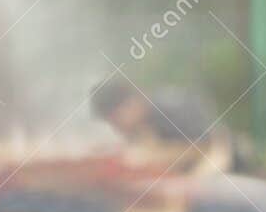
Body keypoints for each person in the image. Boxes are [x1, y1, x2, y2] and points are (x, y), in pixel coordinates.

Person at [89, 73, 240, 172]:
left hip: (231, 168)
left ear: (131, 104)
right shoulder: (142, 122)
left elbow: (207, 146)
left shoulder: (169, 108)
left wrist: (147, 157)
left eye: (116, 121)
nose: (116, 129)